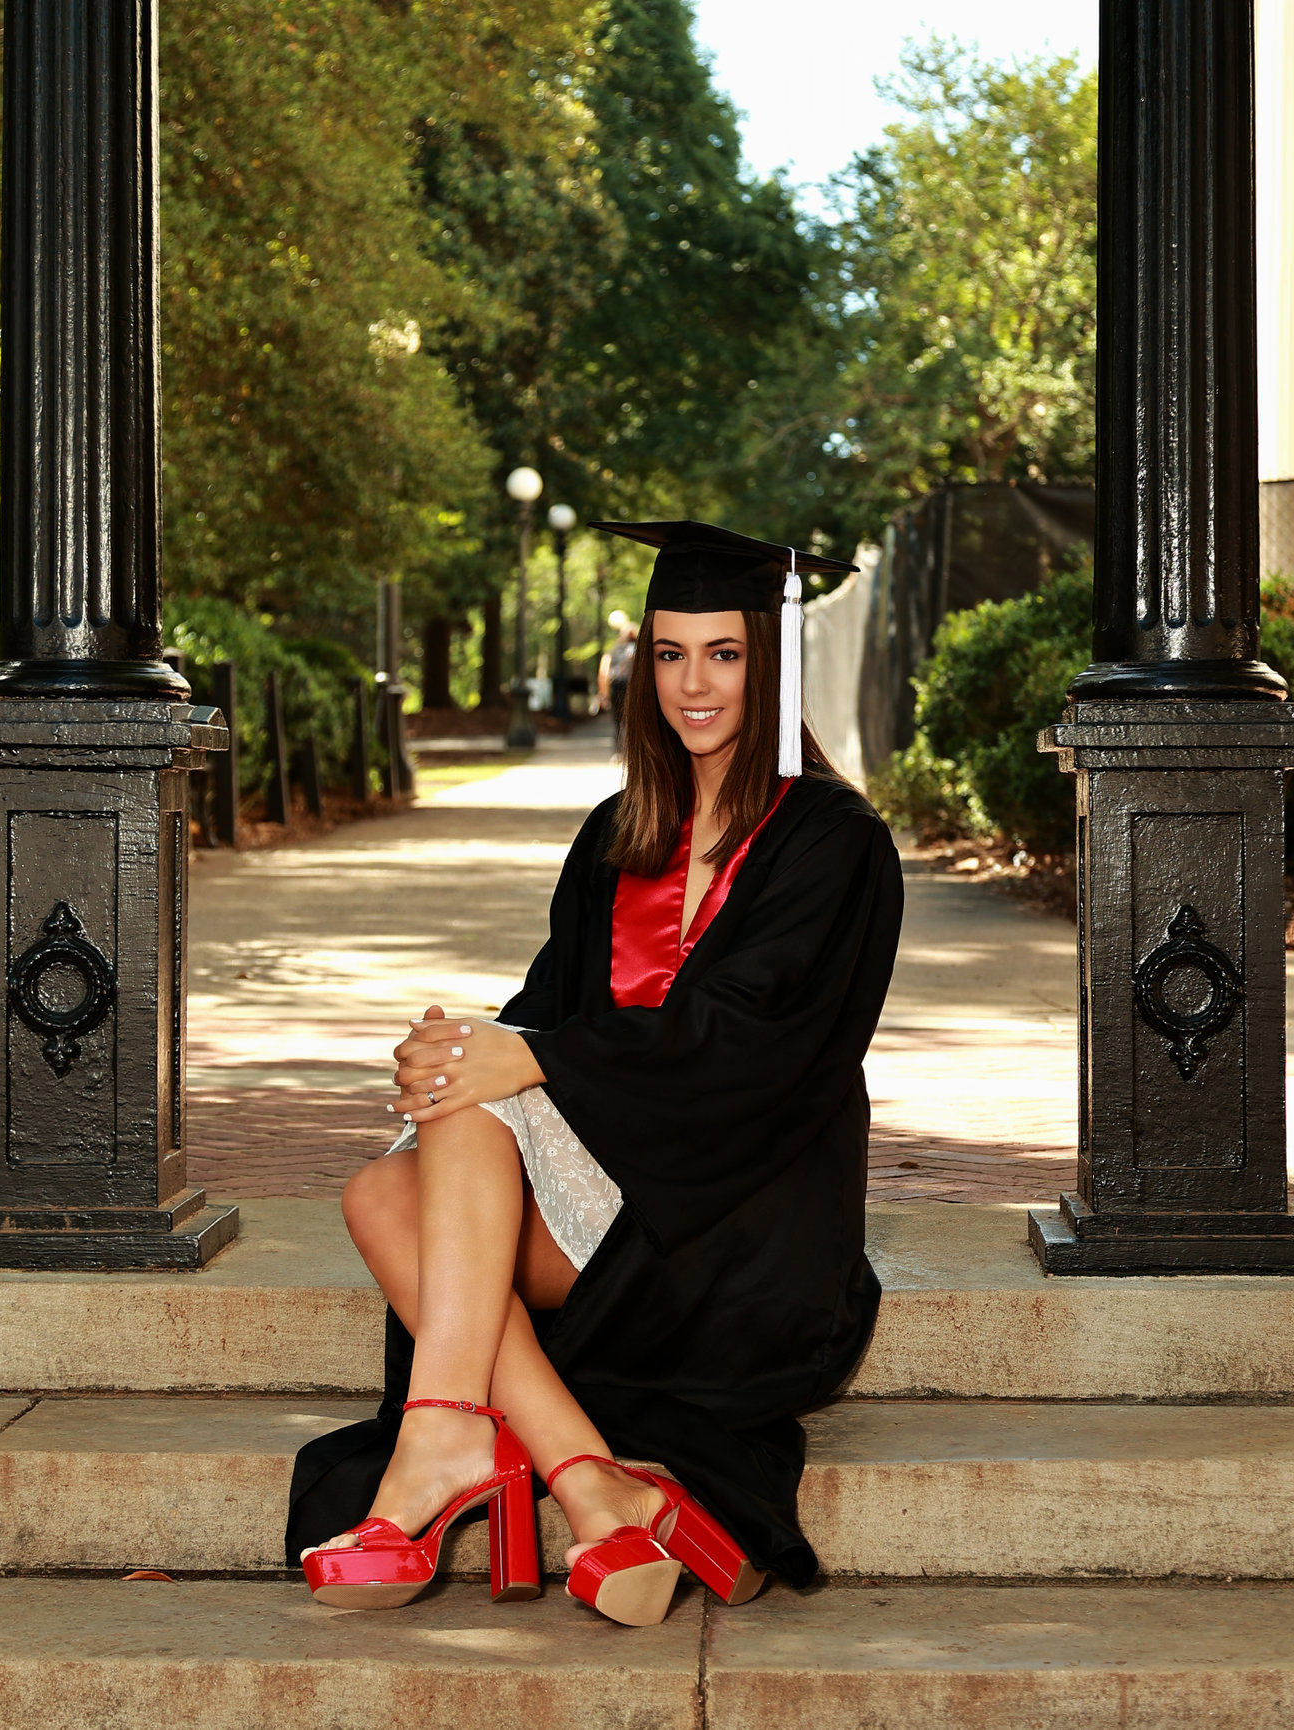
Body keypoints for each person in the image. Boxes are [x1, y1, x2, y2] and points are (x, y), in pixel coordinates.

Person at [288, 519, 904, 1627]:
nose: (694, 683)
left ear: (768, 660)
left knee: (470, 1108)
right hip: (612, 1194)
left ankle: (451, 1439)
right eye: (669, 653)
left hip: (743, 1220)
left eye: (723, 652)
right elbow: (549, 1012)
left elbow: (758, 1046)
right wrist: (460, 1051)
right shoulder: (618, 832)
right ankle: (588, 1481)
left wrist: (518, 1053)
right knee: (383, 1180)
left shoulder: (834, 839)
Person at [597, 610, 637, 747]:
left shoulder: (613, 650)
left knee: (618, 721)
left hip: (618, 688)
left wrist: (603, 694)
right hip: (634, 689)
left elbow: (604, 672)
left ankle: (619, 751)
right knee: (633, 721)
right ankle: (629, 751)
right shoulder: (642, 649)